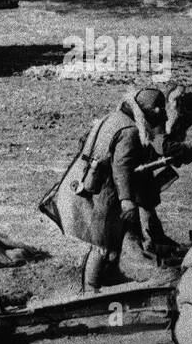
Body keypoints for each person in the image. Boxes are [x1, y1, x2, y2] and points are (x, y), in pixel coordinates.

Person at [48, 88, 167, 293]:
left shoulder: (115, 117)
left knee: (112, 239)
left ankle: (110, 276)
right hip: (106, 192)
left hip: (95, 184)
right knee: (101, 244)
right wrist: (127, 199)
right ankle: (91, 287)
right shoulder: (129, 130)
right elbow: (122, 168)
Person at [134, 85, 192, 257]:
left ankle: (156, 240)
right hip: (135, 163)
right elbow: (163, 146)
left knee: (147, 203)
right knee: (143, 203)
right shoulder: (161, 115)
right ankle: (151, 245)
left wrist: (187, 152)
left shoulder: (178, 122)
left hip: (145, 165)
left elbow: (175, 156)